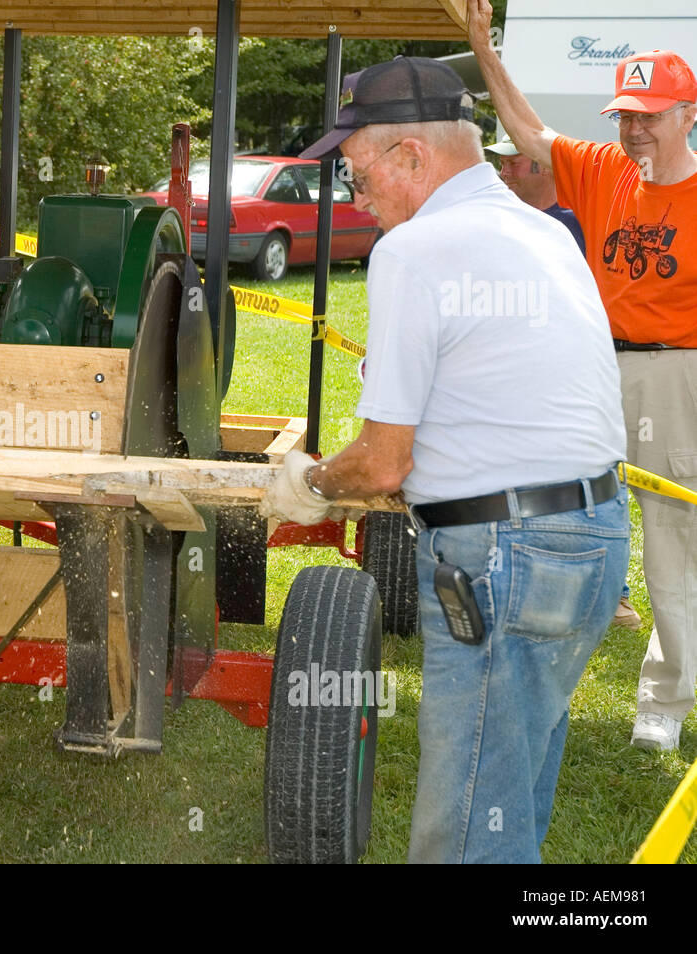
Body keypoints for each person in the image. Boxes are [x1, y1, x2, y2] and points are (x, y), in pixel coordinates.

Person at [269, 55, 629, 863]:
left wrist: (310, 485)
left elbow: (383, 464)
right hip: (592, 536)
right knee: (511, 798)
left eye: (358, 176)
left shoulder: (416, 251)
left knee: (464, 832)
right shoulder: (543, 231)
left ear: (411, 157)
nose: (357, 197)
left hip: (505, 556)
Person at [468, 0, 697, 751]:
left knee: (672, 538)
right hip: (595, 368)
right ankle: (537, 675)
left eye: (650, 116)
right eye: (625, 115)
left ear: (687, 116)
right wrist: (483, 48)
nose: (633, 129)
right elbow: (530, 132)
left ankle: (664, 701)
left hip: (676, 374)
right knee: (565, 519)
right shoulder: (602, 171)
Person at [486, 134, 644, 631]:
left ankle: (612, 594)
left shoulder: (582, 223)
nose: (504, 174)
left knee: (597, 471)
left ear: (540, 167)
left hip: (578, 369)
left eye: (511, 165)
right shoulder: (502, 221)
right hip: (519, 369)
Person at [485, 135, 586, 254]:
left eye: (513, 163)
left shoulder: (578, 224)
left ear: (544, 166)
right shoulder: (498, 218)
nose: (504, 172)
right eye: (502, 164)